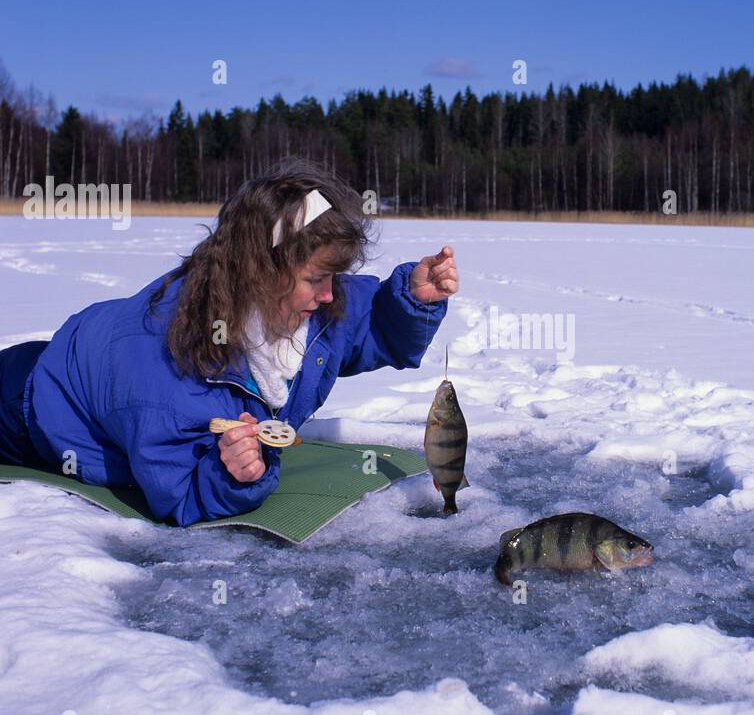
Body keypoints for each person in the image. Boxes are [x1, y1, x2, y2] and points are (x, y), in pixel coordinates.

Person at [0, 161, 458, 526]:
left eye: (333, 277)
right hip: (29, 405)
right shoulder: (169, 375)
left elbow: (369, 324)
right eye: (317, 278)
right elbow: (179, 495)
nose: (328, 295)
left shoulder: (311, 301)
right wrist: (232, 476)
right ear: (261, 272)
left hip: (86, 352)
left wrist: (411, 301)